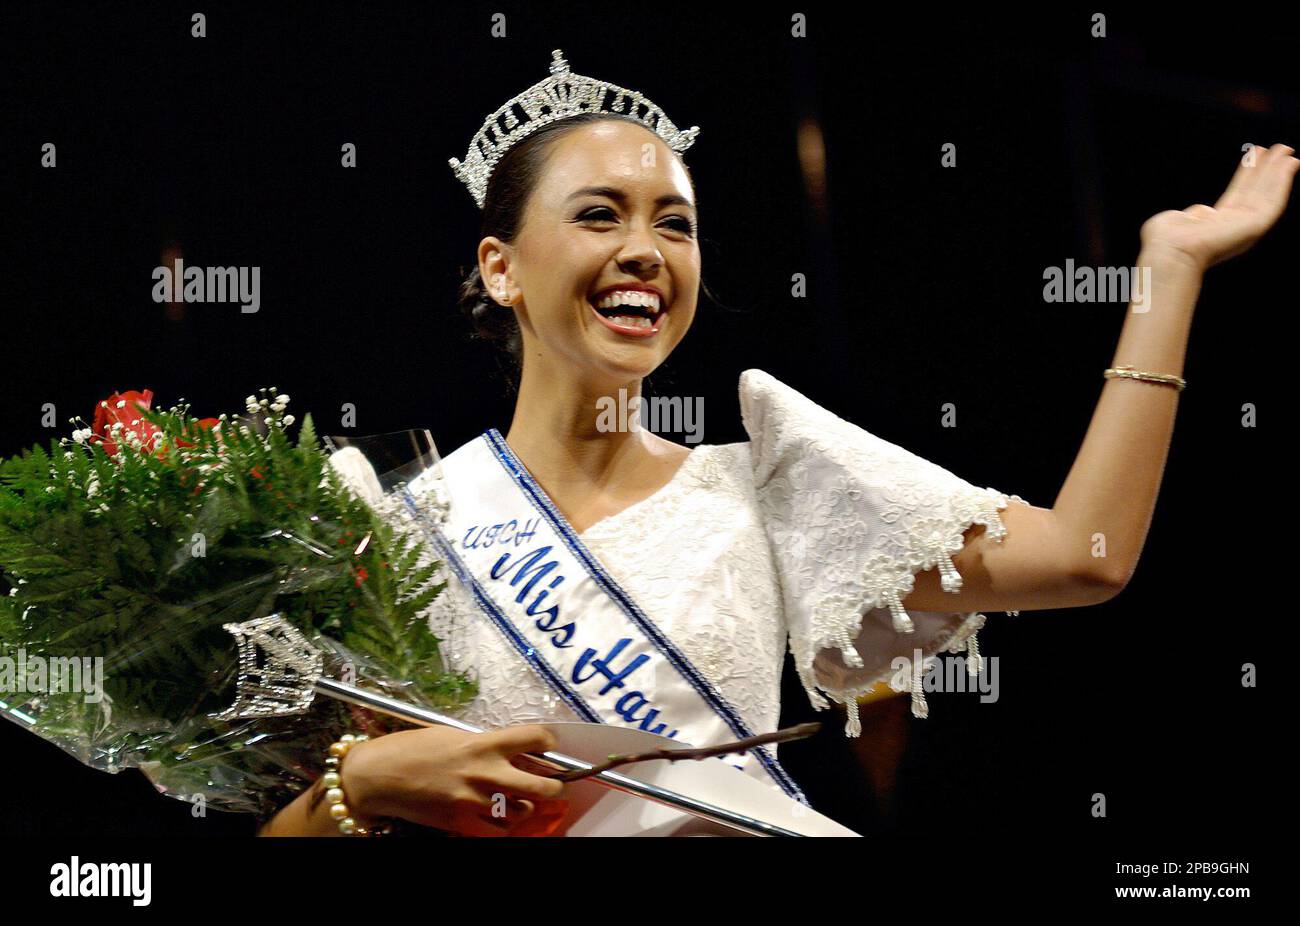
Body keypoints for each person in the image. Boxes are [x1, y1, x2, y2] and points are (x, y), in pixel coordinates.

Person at [258, 51, 1298, 837]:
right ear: (501, 266)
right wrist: (365, 781)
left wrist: (1169, 269)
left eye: (675, 223)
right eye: (598, 214)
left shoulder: (762, 483)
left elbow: (1086, 556)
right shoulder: (393, 522)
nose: (643, 250)